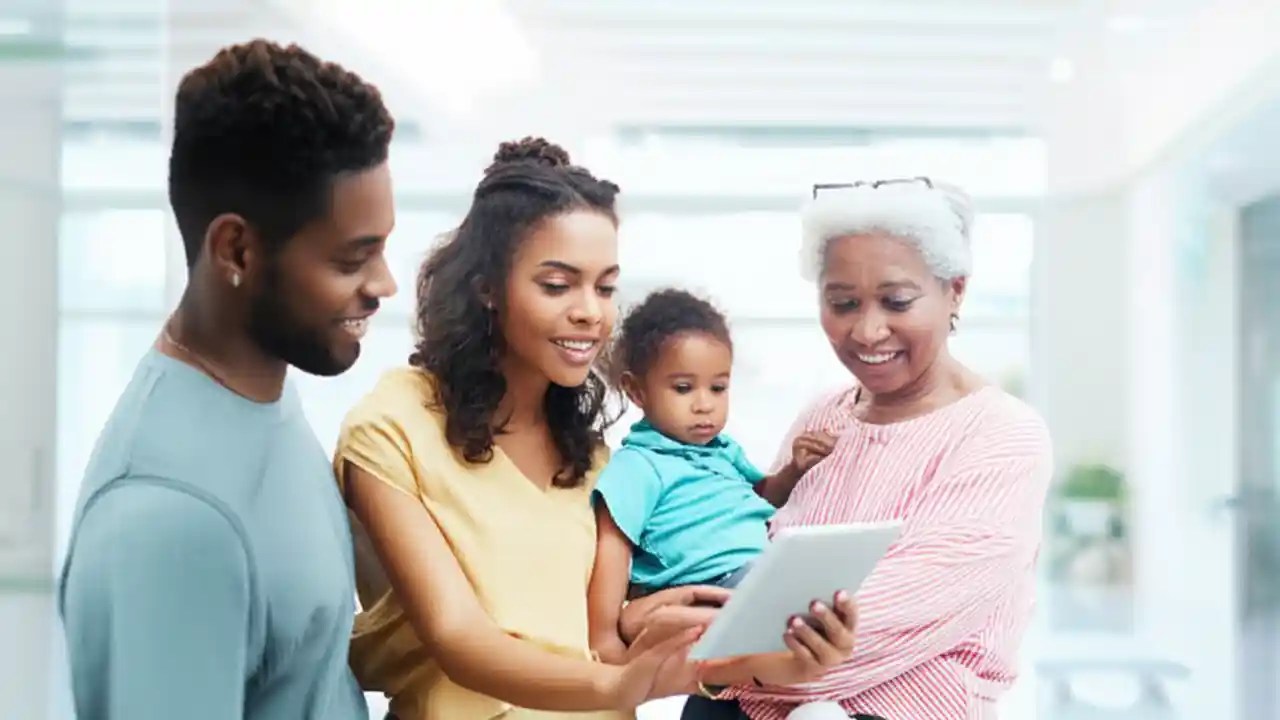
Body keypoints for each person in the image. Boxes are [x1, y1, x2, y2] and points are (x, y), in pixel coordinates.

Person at [332, 137, 859, 720]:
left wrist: (787, 662)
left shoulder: (601, 463)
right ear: (486, 289)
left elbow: (624, 650)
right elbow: (459, 641)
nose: (591, 311)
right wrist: (621, 685)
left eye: (605, 286)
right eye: (557, 285)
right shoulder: (392, 428)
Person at [58, 39, 397, 720]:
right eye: (351, 259)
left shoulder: (259, 390)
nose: (383, 285)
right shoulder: (167, 523)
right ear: (236, 250)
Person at [630, 178, 1054, 720]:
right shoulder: (826, 414)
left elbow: (871, 630)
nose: (868, 330)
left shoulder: (1001, 434)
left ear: (956, 291)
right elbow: (747, 552)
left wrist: (696, 651)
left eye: (897, 301)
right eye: (842, 303)